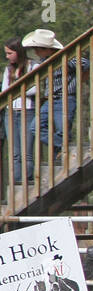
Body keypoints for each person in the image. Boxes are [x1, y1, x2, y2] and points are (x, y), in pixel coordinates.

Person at [21, 28, 86, 179]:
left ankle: (65, 152)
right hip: (49, 100)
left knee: (63, 131)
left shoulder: (66, 58)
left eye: (37, 49)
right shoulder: (44, 62)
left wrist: (77, 81)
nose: (35, 52)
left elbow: (84, 63)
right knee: (35, 127)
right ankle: (64, 149)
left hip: (65, 98)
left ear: (46, 49)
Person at [2, 36, 30, 183]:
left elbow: (35, 90)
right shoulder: (9, 70)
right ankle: (17, 180)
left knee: (26, 150)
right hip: (10, 111)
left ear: (18, 52)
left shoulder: (32, 66)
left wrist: (18, 87)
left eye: (10, 53)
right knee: (15, 151)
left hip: (27, 110)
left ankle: (28, 178)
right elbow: (4, 90)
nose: (7, 57)